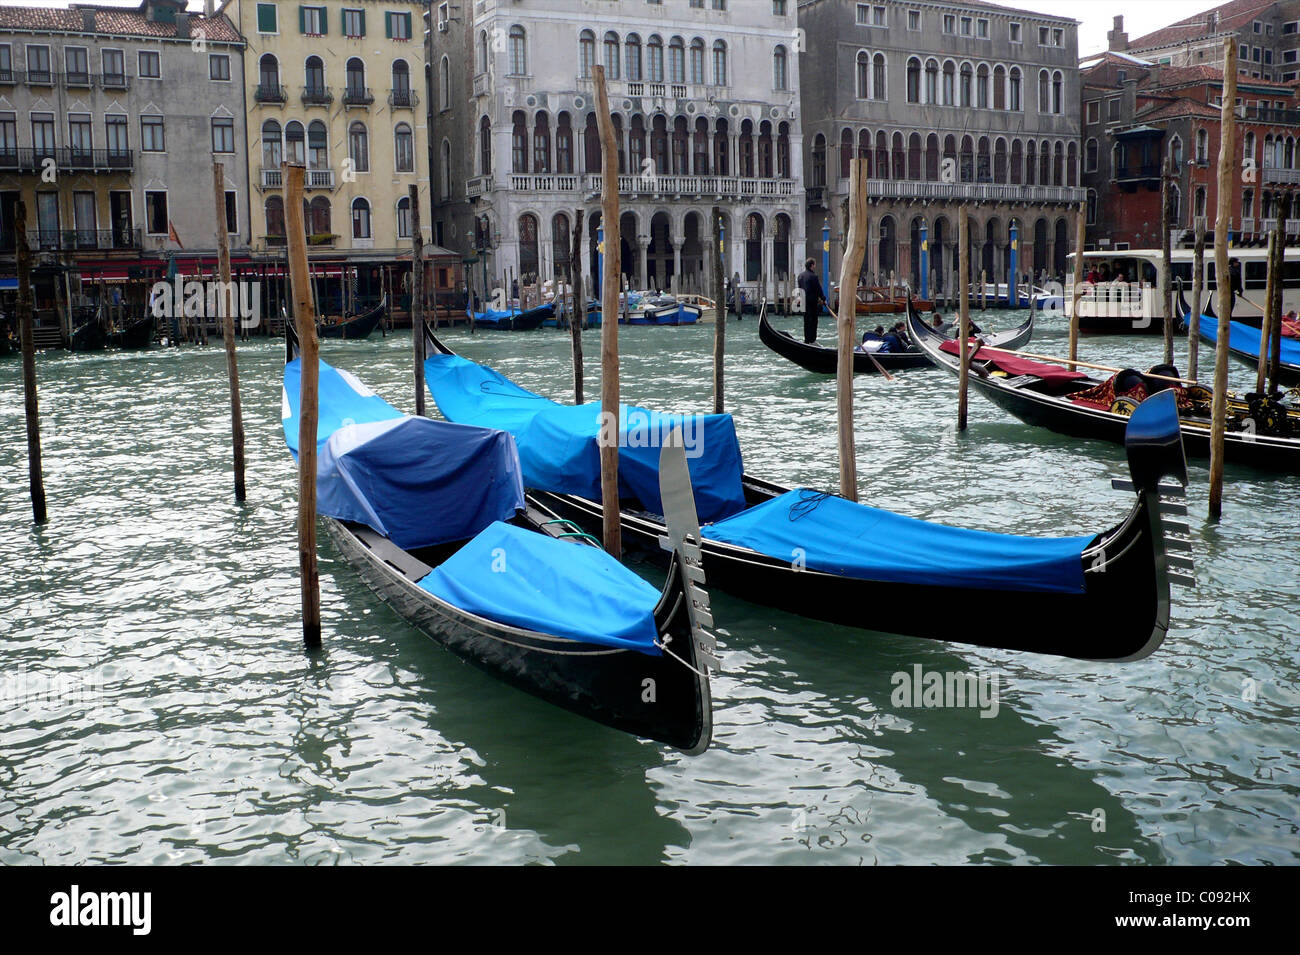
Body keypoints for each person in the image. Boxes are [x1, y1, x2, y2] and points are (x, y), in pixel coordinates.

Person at [796, 258, 826, 344]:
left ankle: (806, 340)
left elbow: (800, 289)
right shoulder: (813, 276)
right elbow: (818, 289)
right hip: (812, 302)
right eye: (814, 264)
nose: (815, 266)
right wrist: (823, 299)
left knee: (806, 321)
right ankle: (812, 340)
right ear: (812, 265)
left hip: (803, 302)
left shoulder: (800, 276)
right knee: (813, 321)